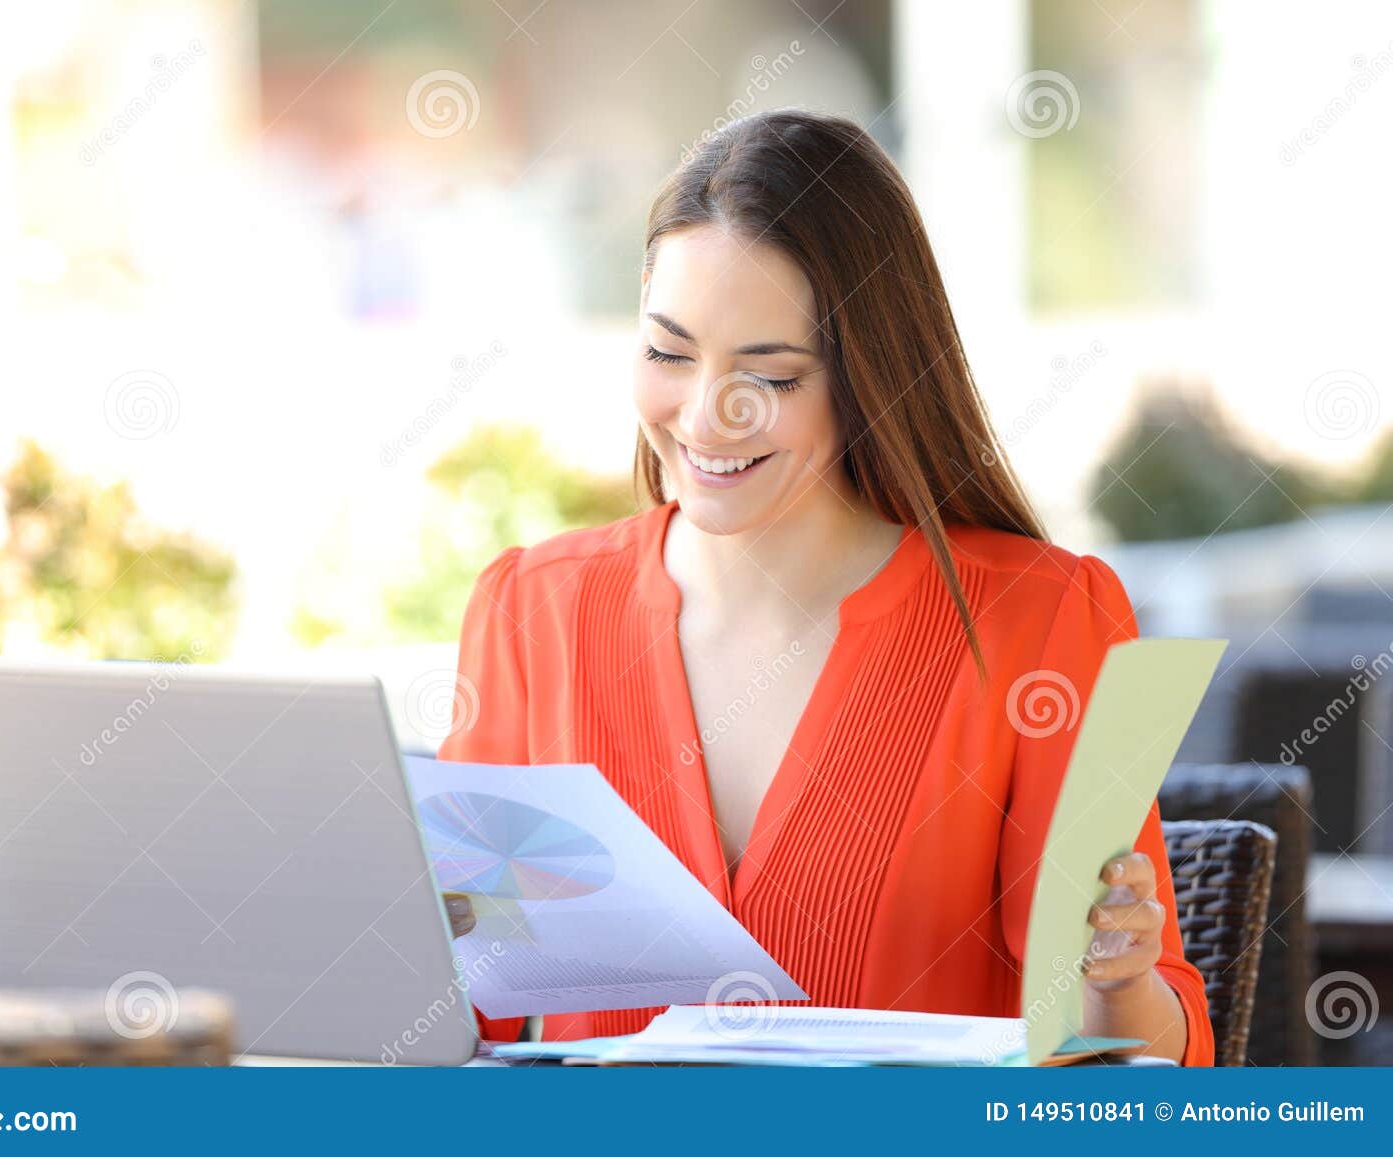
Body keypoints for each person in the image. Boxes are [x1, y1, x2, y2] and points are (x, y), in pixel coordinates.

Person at [438, 109, 1213, 1065]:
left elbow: (1142, 1071)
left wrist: (1116, 988)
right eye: (670, 353)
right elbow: (462, 1018)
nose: (708, 415)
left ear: (869, 375)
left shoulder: (1043, 622)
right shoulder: (530, 611)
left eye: (770, 373)